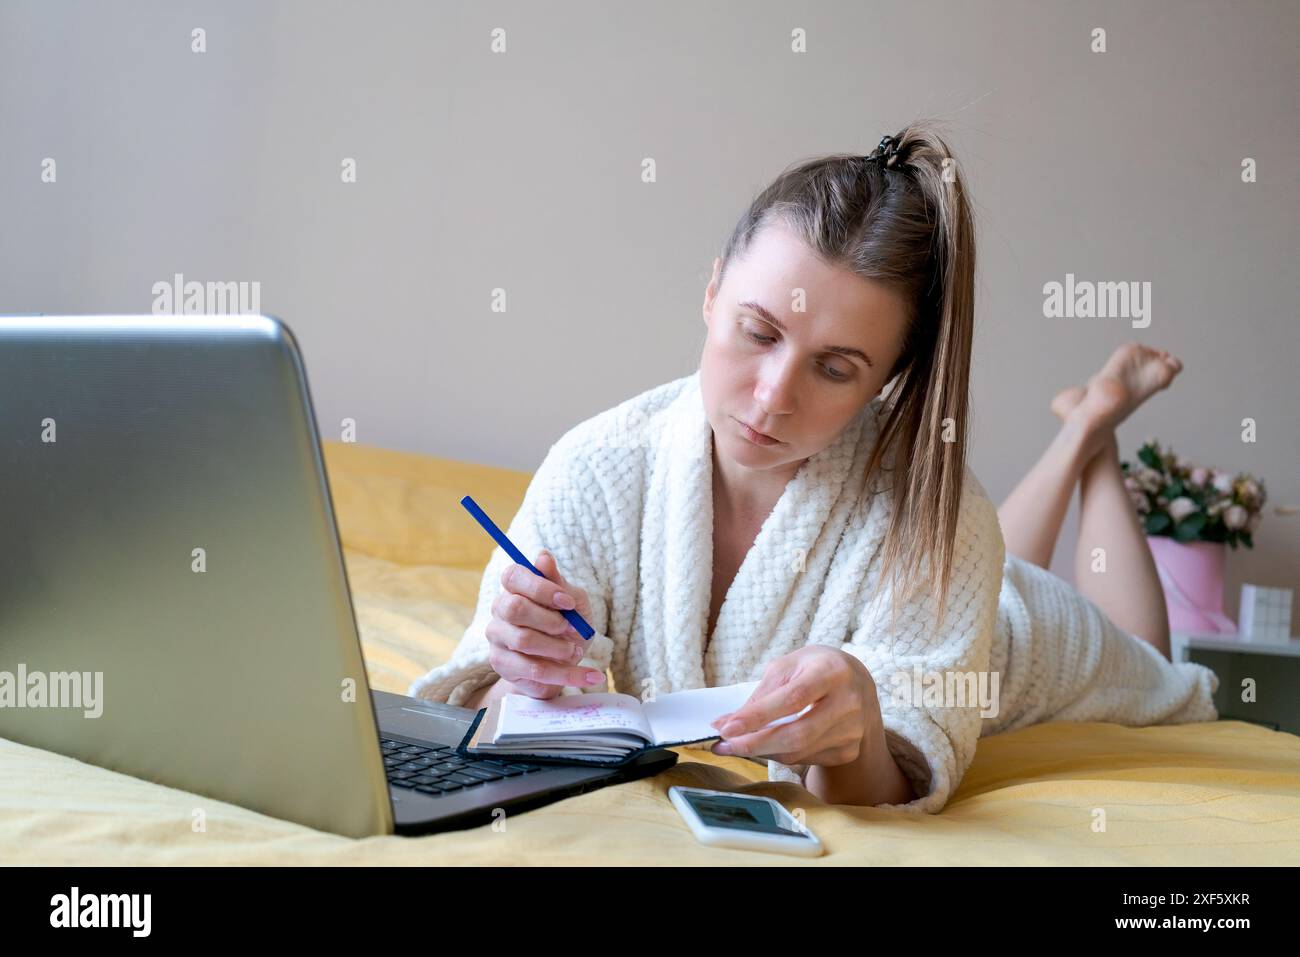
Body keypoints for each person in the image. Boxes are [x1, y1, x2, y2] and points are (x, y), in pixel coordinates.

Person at [409, 121, 1218, 812]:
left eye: (835, 369)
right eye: (757, 332)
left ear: (887, 379)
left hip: (1015, 638)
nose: (770, 398)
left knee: (1160, 666)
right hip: (951, 594)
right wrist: (519, 673)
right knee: (994, 555)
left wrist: (862, 724)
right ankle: (1085, 424)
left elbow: (888, 787)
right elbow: (482, 708)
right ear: (713, 289)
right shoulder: (597, 466)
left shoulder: (941, 515)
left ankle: (1093, 439)